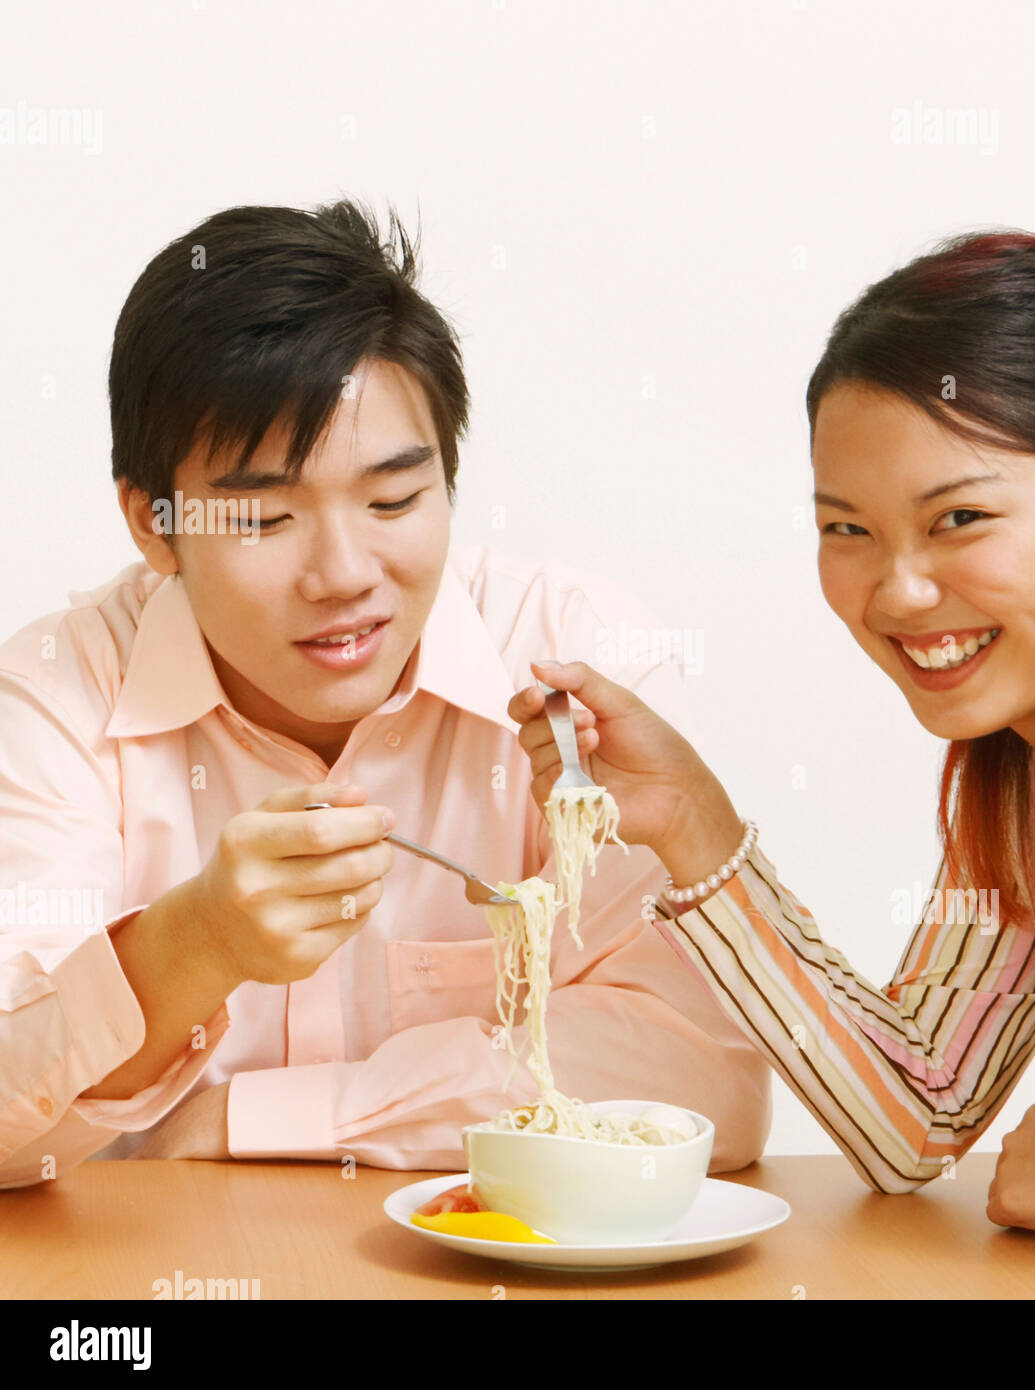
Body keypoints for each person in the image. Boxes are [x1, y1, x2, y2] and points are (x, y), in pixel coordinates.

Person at [509, 230, 1035, 1293]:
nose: (898, 593)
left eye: (959, 518)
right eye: (848, 529)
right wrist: (693, 820)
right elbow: (914, 1115)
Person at [0, 198, 770, 1188]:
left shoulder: (566, 657)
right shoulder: (55, 698)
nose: (343, 572)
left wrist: (253, 1114)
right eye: (265, 518)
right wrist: (198, 943)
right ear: (153, 525)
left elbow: (704, 1079)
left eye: (394, 500)